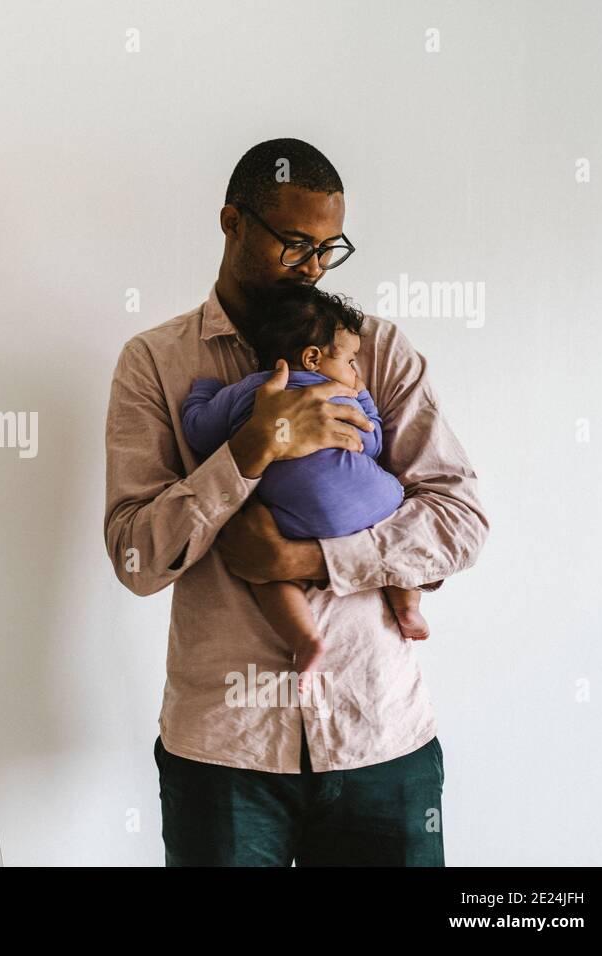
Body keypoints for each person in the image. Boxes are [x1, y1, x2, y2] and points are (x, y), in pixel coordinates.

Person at [103, 138, 489, 866]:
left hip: (379, 740)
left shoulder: (375, 351)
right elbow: (135, 556)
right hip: (223, 754)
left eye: (328, 248)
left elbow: (461, 519)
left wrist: (310, 558)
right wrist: (253, 448)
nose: (313, 267)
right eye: (294, 244)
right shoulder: (155, 363)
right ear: (233, 223)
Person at [180, 284, 429, 686]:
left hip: (296, 519)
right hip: (377, 501)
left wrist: (203, 391)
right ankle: (407, 603)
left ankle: (304, 637)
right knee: (400, 535)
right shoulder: (342, 396)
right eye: (350, 360)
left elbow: (198, 431)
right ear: (313, 357)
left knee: (264, 564)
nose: (356, 372)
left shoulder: (248, 390)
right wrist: (364, 402)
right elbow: (372, 444)